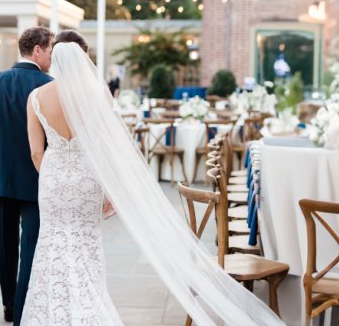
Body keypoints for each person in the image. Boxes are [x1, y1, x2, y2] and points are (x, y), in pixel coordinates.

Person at [20, 40, 284, 325]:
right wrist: (111, 185)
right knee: (85, 244)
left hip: (53, 179)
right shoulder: (98, 94)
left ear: (54, 63)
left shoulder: (36, 97)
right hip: (88, 178)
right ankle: (87, 307)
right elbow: (109, 145)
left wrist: (52, 177)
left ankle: (51, 314)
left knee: (51, 243)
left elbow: (36, 151)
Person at [0, 26, 54, 325]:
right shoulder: (49, 85)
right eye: (50, 50)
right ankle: (24, 309)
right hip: (37, 179)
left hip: (1, 180)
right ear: (37, 50)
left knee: (5, 247)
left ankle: (9, 305)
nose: (52, 56)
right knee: (31, 247)